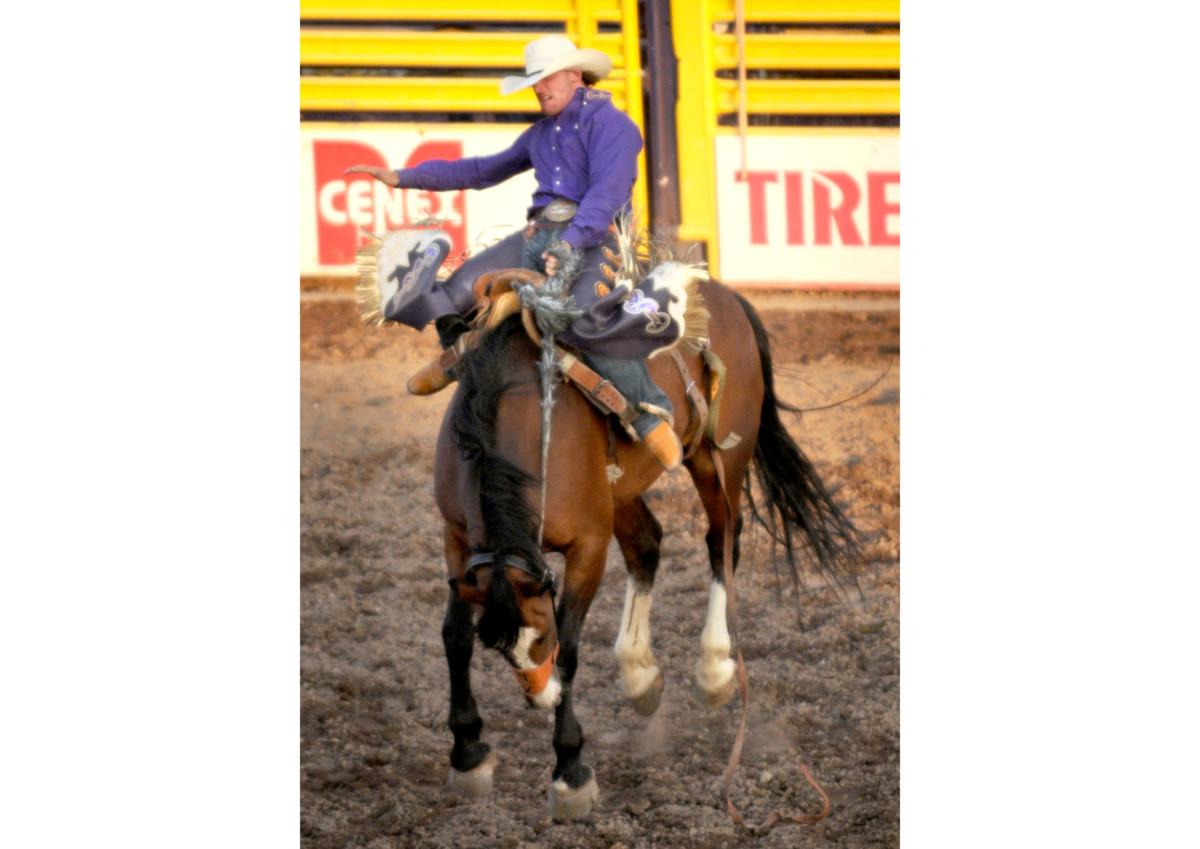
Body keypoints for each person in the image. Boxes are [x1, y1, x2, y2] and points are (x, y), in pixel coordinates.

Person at [345, 35, 686, 471]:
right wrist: (402, 176)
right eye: (534, 81)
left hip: (596, 238)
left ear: (574, 75)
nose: (538, 88)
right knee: (455, 295)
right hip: (538, 234)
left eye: (544, 78)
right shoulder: (540, 134)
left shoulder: (614, 126)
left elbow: (607, 193)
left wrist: (570, 242)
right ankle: (462, 361)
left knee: (580, 315)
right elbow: (481, 170)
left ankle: (647, 412)